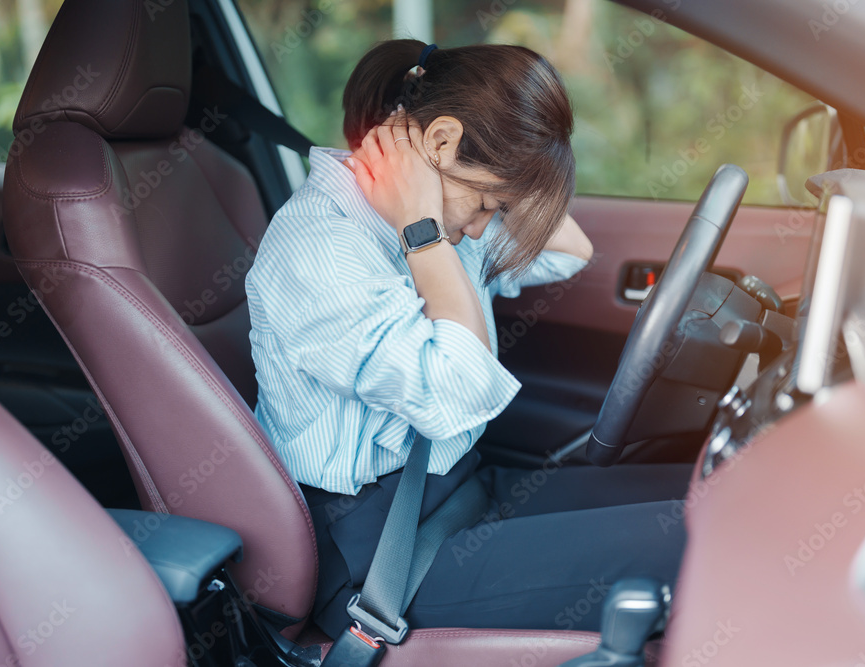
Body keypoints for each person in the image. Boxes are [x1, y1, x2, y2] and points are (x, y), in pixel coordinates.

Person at [245, 39, 690, 637]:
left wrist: (508, 160)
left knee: (709, 495)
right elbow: (454, 394)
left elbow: (569, 252)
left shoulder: (432, 216)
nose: (482, 226)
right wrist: (423, 229)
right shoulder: (323, 250)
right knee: (694, 541)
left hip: (457, 494)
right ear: (441, 143)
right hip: (381, 555)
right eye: (485, 203)